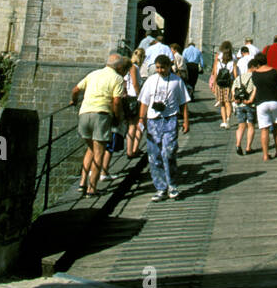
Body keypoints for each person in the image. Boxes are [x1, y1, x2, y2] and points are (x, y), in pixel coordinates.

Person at [70, 53, 126, 195]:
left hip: (84, 113)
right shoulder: (117, 78)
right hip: (101, 114)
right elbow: (117, 101)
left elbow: (75, 90)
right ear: (119, 66)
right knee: (99, 152)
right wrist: (117, 117)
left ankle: (82, 183)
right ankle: (92, 189)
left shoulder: (93, 73)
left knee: (90, 149)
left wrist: (74, 100)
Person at [138, 54, 190, 200]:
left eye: (163, 67)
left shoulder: (177, 81)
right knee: (154, 156)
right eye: (158, 68)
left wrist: (186, 121)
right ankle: (160, 187)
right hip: (153, 120)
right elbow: (144, 102)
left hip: (170, 119)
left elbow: (184, 102)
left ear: (169, 67)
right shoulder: (150, 81)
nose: (160, 70)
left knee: (168, 152)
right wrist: (141, 120)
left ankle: (172, 185)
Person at [245, 53, 277, 160]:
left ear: (257, 63)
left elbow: (256, 88)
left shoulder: (255, 74)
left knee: (264, 129)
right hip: (276, 100)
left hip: (261, 102)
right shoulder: (275, 71)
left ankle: (265, 155)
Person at [123, 48, 144, 157]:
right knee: (134, 124)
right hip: (134, 98)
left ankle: (132, 149)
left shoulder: (127, 67)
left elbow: (125, 83)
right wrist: (140, 96)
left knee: (130, 124)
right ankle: (131, 151)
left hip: (128, 97)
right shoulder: (134, 67)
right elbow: (135, 84)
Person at [232, 64, 256, 155]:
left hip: (239, 104)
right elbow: (255, 89)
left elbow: (233, 89)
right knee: (250, 125)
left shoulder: (239, 77)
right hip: (250, 104)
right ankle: (248, 147)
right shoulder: (254, 78)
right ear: (254, 68)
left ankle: (238, 144)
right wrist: (251, 100)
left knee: (241, 126)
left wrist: (235, 99)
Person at [211, 40, 235, 128]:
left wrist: (214, 84)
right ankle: (228, 119)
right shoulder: (233, 62)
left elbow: (215, 73)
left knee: (222, 103)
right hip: (229, 84)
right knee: (228, 102)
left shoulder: (218, 61)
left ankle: (224, 121)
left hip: (220, 84)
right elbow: (235, 75)